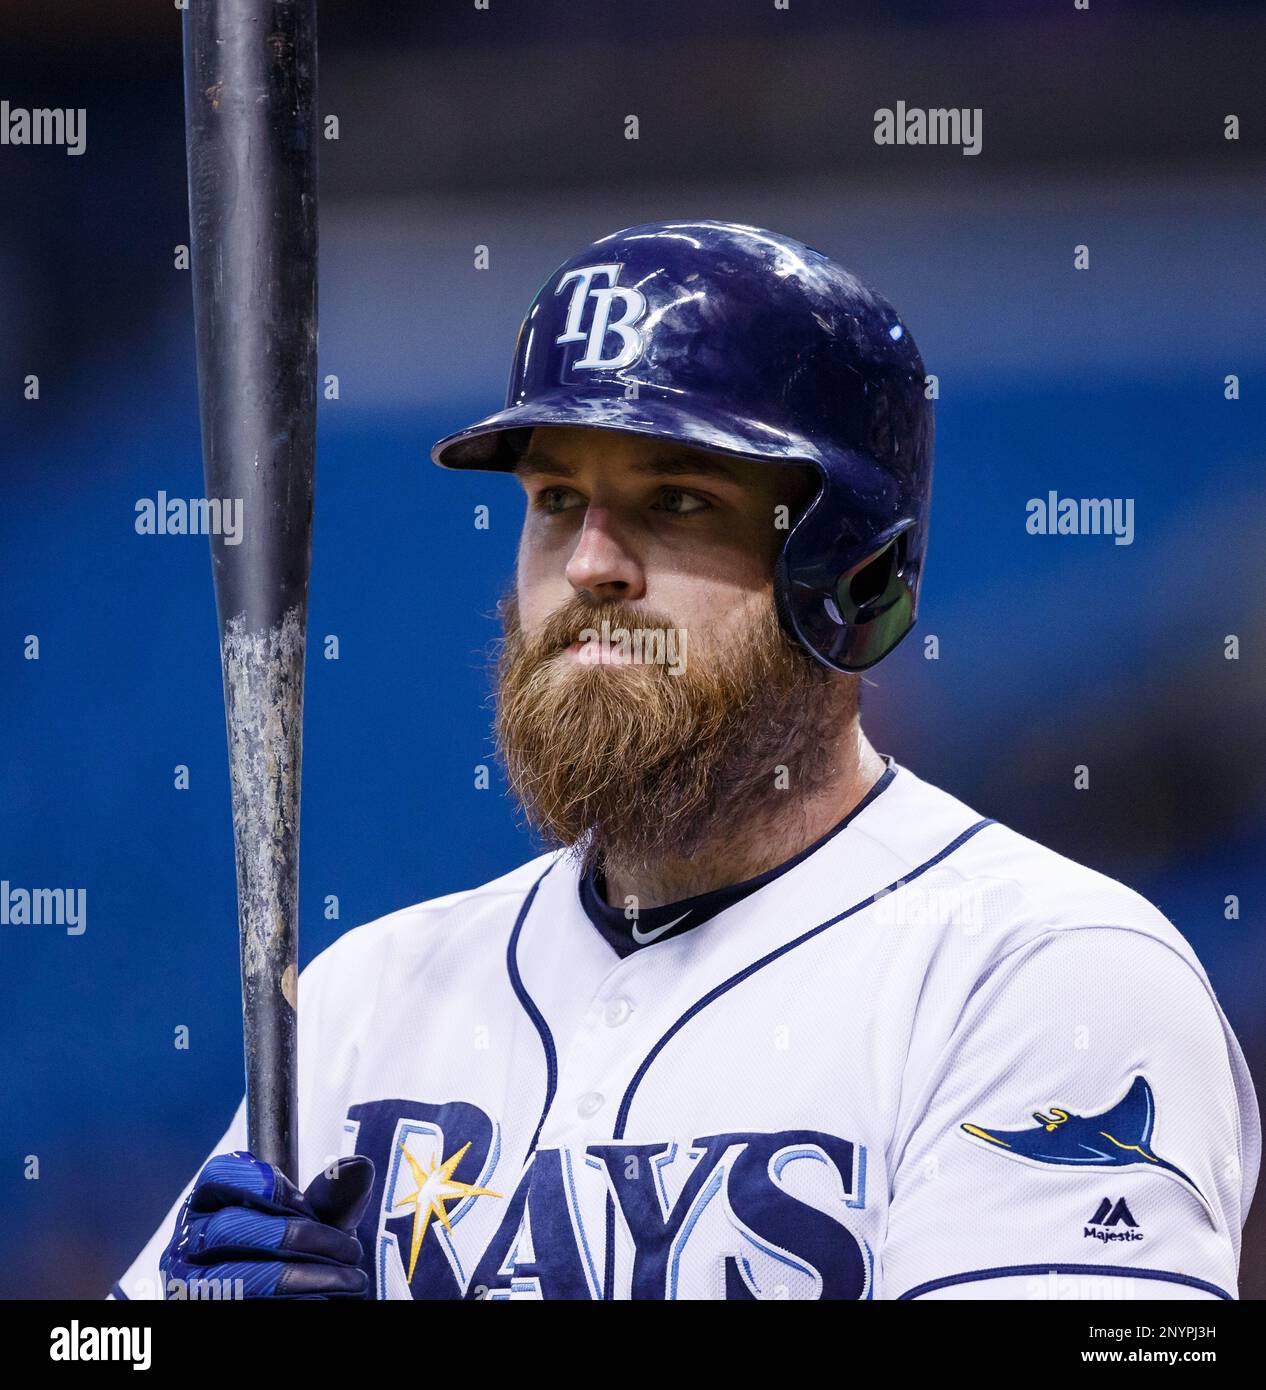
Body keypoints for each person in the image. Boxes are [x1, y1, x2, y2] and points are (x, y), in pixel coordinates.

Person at [113, 220, 1258, 1301]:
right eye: (556, 499)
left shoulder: (1045, 976)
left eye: (676, 500)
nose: (591, 564)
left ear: (854, 576)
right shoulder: (367, 1001)